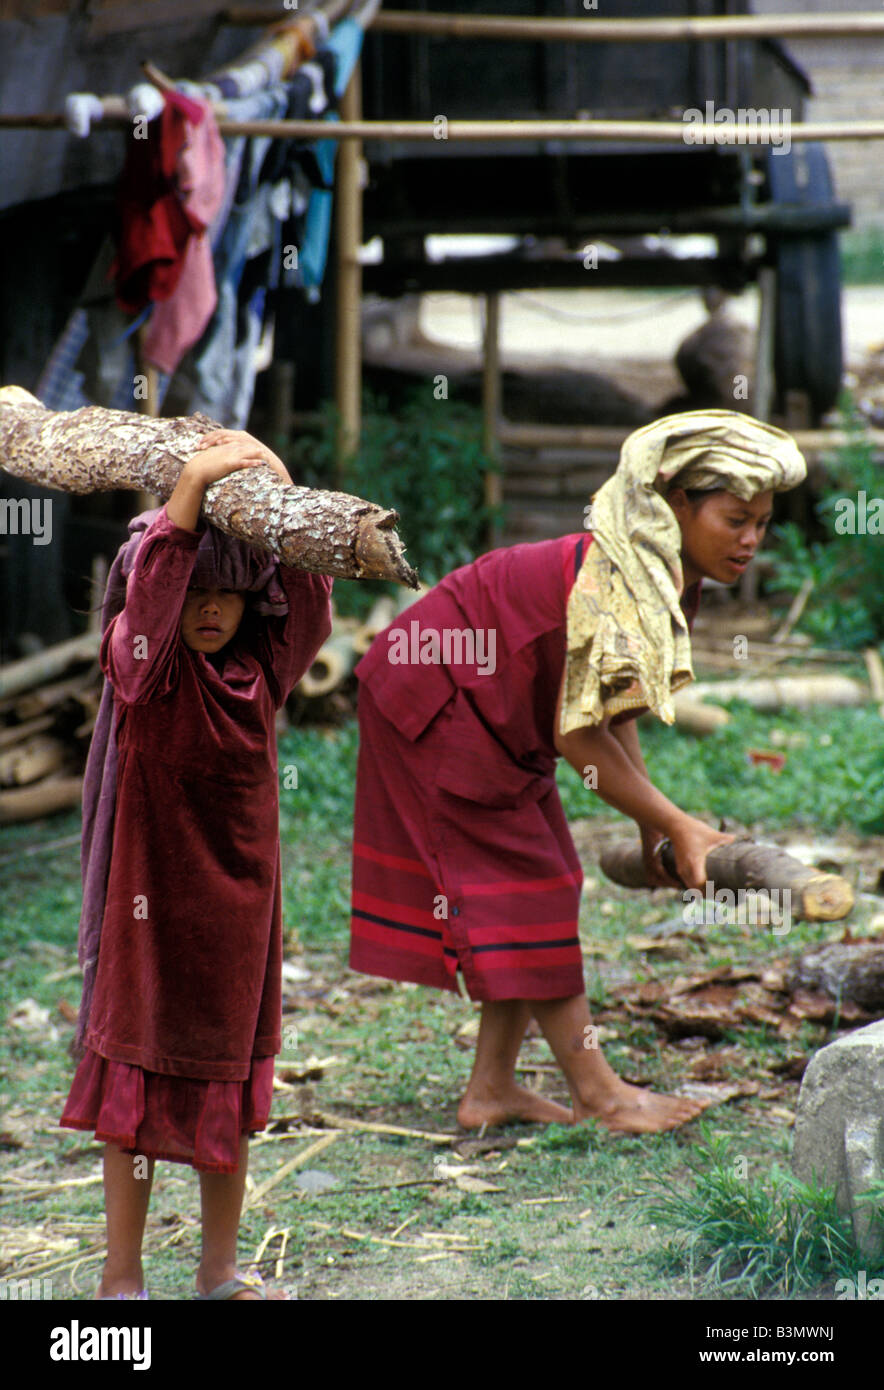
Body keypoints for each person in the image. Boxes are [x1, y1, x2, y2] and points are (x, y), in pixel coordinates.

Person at [349, 410, 807, 1135]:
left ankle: (493, 1088)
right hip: (440, 696)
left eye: (762, 522)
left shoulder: (661, 570)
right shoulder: (619, 581)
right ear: (676, 505)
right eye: (736, 519)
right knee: (528, 883)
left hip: (494, 707)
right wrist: (679, 825)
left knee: (540, 880)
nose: (752, 539)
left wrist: (651, 823)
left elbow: (612, 699)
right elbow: (580, 738)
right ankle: (598, 1094)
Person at [60, 429, 332, 1300]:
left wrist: (278, 487)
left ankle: (219, 1273)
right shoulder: (145, 669)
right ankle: (121, 1277)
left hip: (236, 915)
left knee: (228, 1095)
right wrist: (193, 489)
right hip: (148, 913)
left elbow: (309, 601)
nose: (211, 609)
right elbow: (149, 603)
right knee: (131, 1104)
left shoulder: (260, 674)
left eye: (230, 593)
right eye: (195, 591)